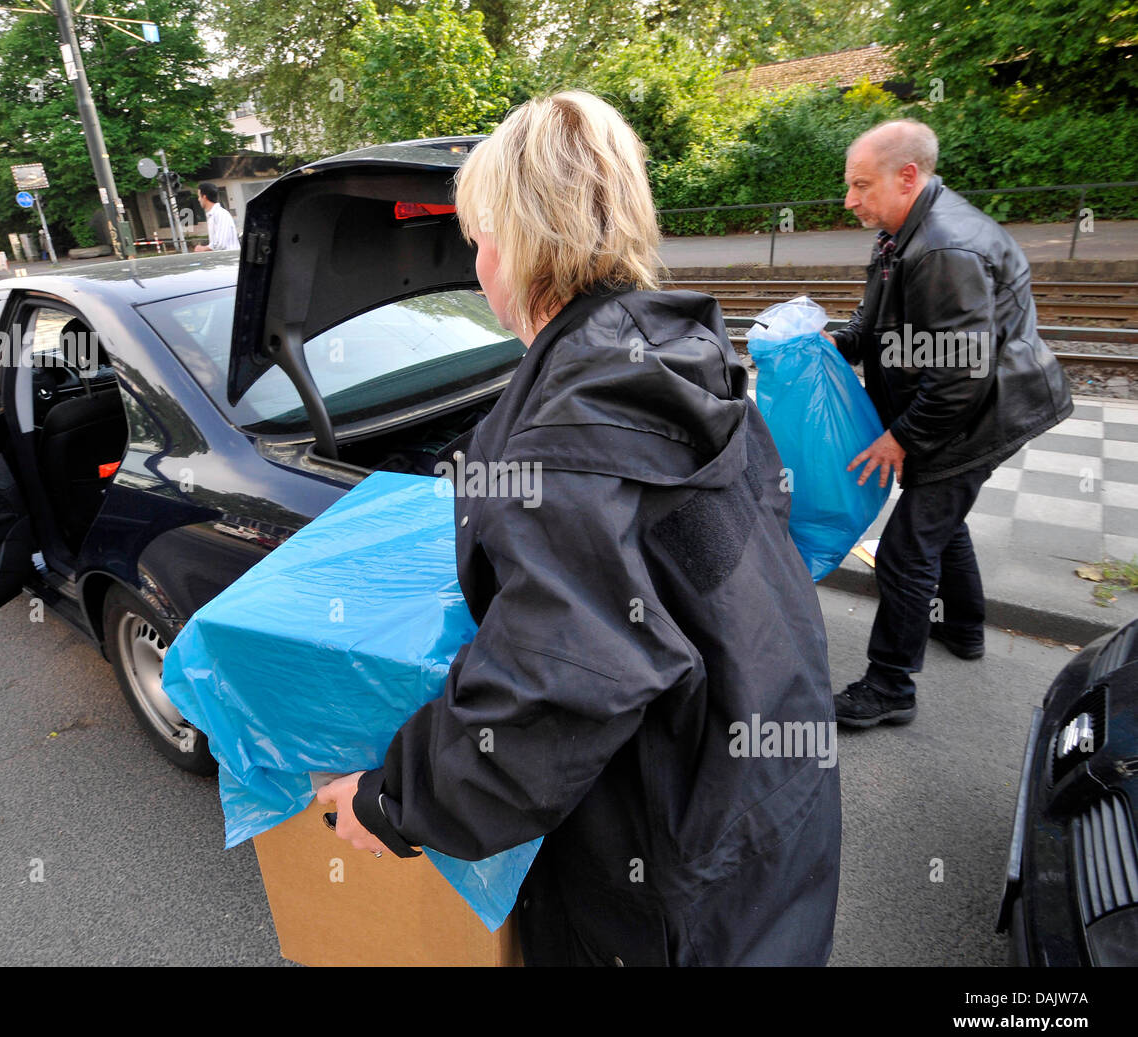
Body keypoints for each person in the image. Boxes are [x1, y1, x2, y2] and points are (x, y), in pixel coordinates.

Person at [317, 91, 841, 966]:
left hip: (666, 871)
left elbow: (559, 678)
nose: (476, 263)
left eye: (479, 238)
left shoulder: (579, 424)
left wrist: (388, 801)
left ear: (515, 242)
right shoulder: (676, 353)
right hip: (758, 790)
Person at [830, 119, 1073, 729]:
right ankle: (962, 629)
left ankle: (889, 688)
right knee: (938, 519)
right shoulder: (901, 232)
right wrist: (832, 345)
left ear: (907, 177)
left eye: (861, 186)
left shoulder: (943, 248)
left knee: (906, 550)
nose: (849, 200)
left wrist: (902, 437)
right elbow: (880, 322)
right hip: (965, 410)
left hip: (981, 415)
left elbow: (962, 370)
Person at [192, 182, 239, 252]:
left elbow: (220, 244)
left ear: (204, 197)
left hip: (230, 260)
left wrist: (203, 248)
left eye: (199, 196)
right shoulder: (212, 215)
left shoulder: (221, 214)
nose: (198, 199)